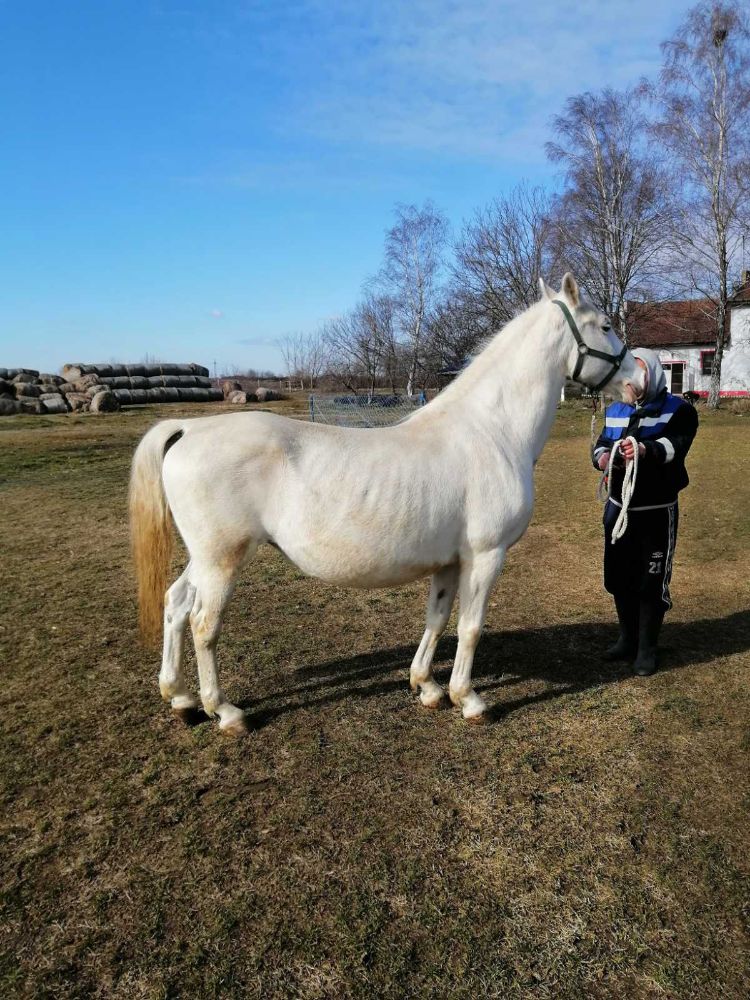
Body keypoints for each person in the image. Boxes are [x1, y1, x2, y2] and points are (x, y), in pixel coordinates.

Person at [593, 349, 699, 676]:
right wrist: (603, 458)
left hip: (656, 512)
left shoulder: (679, 411)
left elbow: (674, 446)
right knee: (618, 577)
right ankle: (627, 639)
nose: (630, 380)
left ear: (651, 373)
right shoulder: (615, 409)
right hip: (618, 510)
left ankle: (646, 649)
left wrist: (642, 449)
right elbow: (600, 445)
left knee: (650, 581)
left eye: (637, 372)